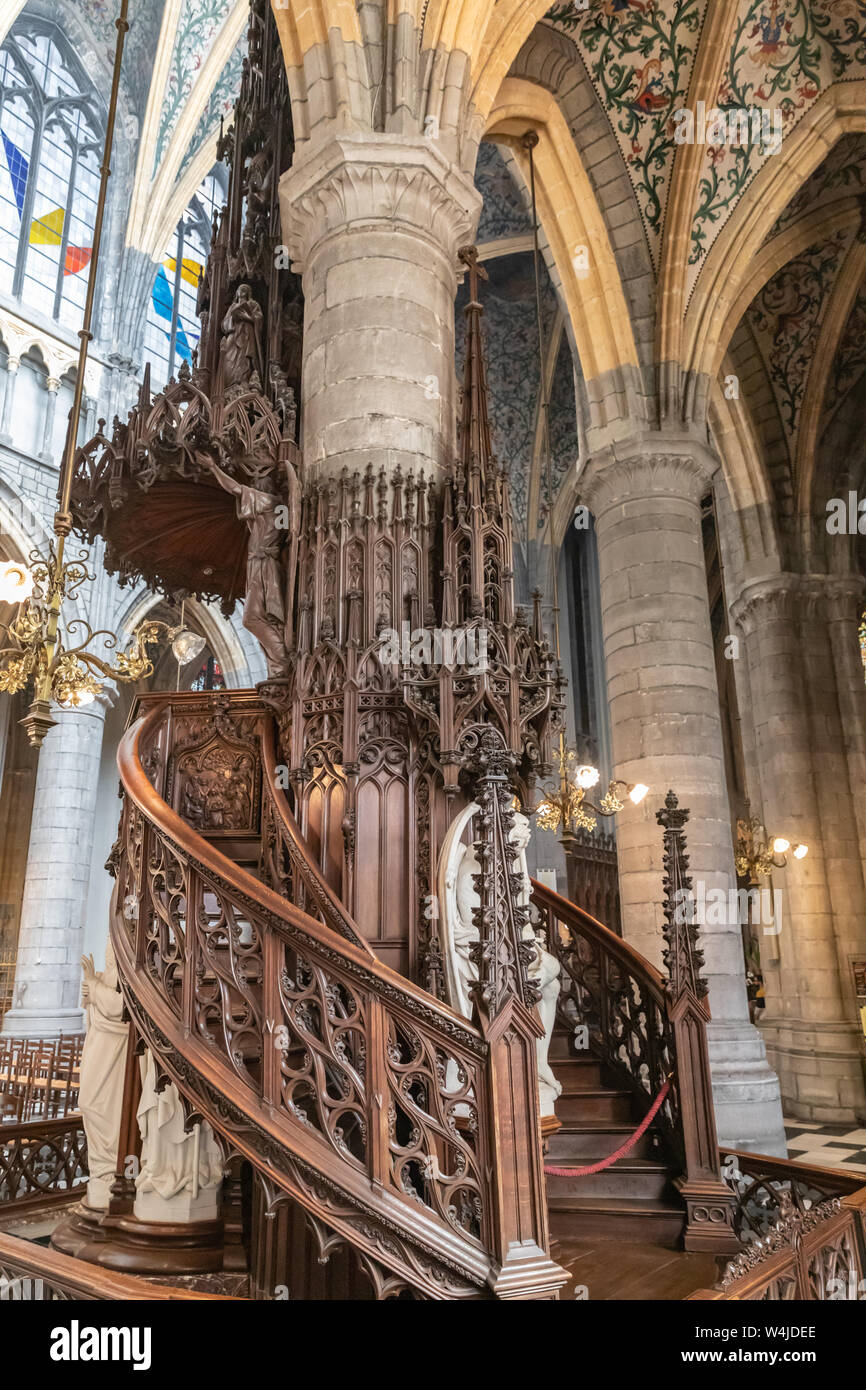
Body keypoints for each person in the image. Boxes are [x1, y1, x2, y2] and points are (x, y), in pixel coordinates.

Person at [78, 941, 129, 1209]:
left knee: (99, 1104)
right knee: (87, 1102)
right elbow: (99, 1004)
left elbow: (122, 1007)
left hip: (114, 1047)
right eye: (109, 947)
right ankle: (101, 1171)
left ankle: (111, 1168)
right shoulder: (107, 974)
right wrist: (91, 986)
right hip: (99, 1041)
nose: (110, 951)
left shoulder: (129, 969)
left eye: (112, 948)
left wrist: (94, 986)